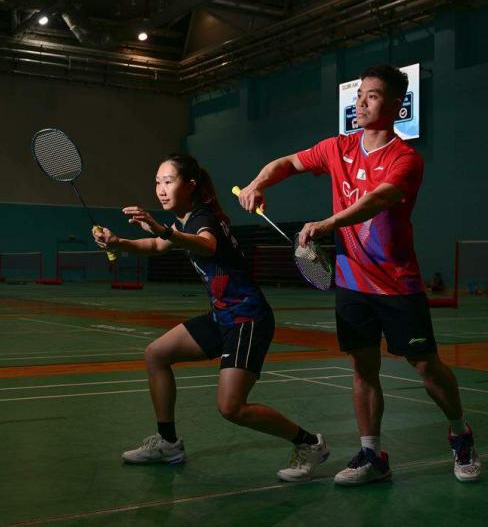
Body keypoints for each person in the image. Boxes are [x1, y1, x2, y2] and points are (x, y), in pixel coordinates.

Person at [236, 64, 481, 484]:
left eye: (372, 95)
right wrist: (260, 181)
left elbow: (380, 199)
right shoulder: (338, 147)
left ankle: (461, 433)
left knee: (426, 367)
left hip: (396, 283)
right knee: (363, 370)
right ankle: (372, 456)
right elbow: (289, 162)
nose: (361, 102)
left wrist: (328, 224)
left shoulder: (406, 159)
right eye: (360, 94)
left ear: (396, 104)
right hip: (352, 284)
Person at [93, 153, 329, 481]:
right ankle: (168, 441)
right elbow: (155, 245)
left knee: (231, 408)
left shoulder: (204, 219)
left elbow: (206, 244)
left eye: (169, 181)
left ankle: (310, 443)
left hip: (248, 319)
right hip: (221, 317)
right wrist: (119, 242)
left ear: (189, 185)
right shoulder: (184, 220)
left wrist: (165, 231)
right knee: (156, 354)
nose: (161, 189)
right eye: (157, 182)